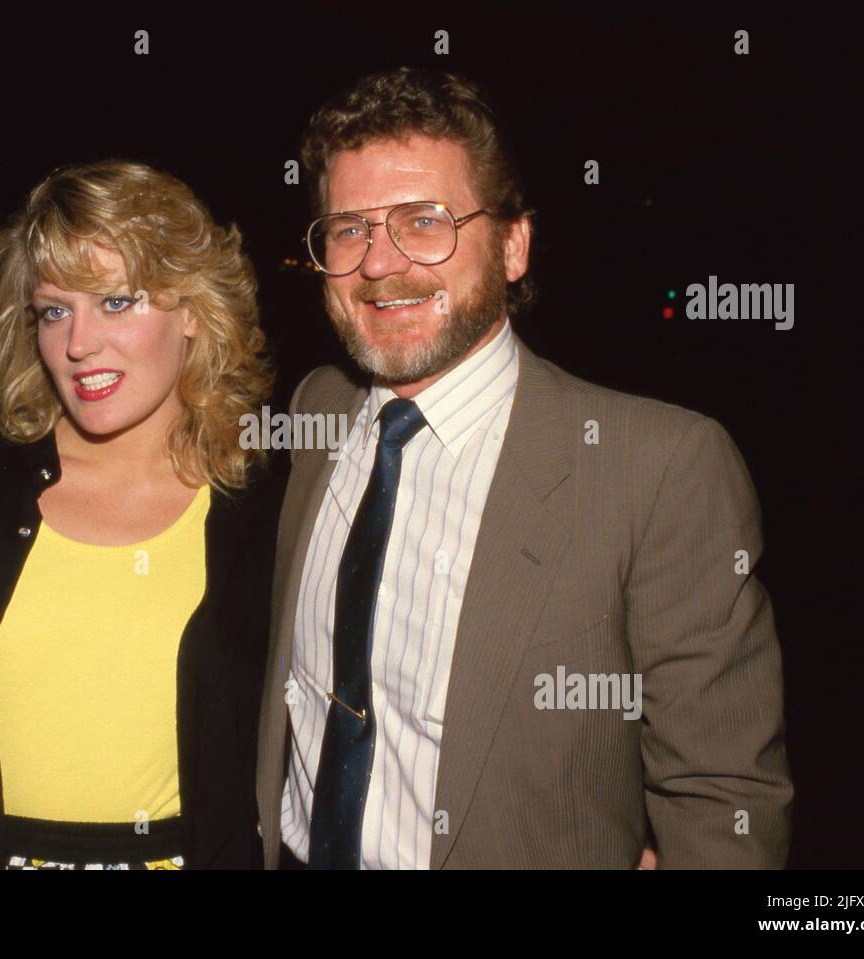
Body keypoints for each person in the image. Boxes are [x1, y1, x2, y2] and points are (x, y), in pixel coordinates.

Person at [256, 67, 793, 869]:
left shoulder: (657, 469)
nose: (380, 263)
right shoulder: (315, 408)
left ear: (513, 244)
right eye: (348, 228)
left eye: (423, 220)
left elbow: (725, 802)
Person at [0, 159, 282, 869]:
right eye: (54, 310)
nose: (78, 343)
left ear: (193, 309)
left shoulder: (264, 502)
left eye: (117, 301)